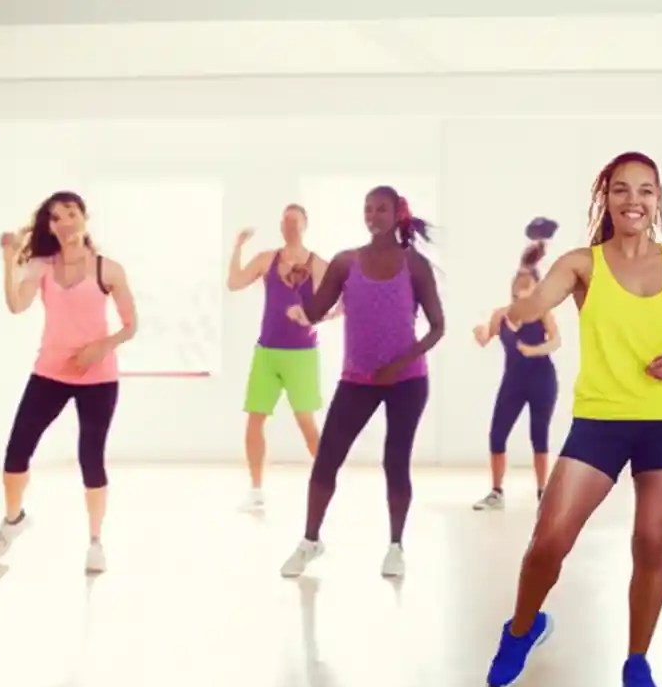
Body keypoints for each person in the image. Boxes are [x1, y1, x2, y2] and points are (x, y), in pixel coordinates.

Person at [484, 151, 662, 687]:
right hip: (600, 418)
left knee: (651, 543)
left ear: (657, 199)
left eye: (645, 190)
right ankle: (522, 628)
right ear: (606, 198)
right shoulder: (582, 264)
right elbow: (536, 304)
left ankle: (637, 662)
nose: (633, 200)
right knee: (549, 542)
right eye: (621, 189)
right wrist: (514, 308)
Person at [277, 185, 444, 580]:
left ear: (397, 213)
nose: (373, 216)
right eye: (368, 209)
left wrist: (397, 365)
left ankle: (396, 546)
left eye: (381, 209)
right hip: (358, 379)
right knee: (327, 458)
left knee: (395, 460)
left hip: (407, 381)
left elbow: (438, 327)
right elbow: (314, 312)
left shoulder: (414, 265)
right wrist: (299, 284)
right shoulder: (345, 262)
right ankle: (310, 540)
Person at [0, 191, 138, 573]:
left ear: (84, 217)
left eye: (71, 213)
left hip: (98, 378)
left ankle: (95, 542)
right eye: (55, 218)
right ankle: (13, 520)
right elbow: (16, 305)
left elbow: (130, 326)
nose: (65, 222)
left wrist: (99, 347)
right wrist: (8, 261)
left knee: (91, 456)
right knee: (17, 451)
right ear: (50, 227)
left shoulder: (108, 269)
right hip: (50, 373)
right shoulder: (41, 266)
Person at [226, 204, 338, 511]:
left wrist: (312, 317)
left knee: (306, 422)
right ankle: (256, 490)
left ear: (305, 225)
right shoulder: (267, 259)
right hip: (267, 352)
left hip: (302, 355)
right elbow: (234, 282)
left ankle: (326, 485)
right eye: (285, 221)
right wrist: (237, 247)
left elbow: (341, 304)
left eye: (295, 221)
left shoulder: (318, 265)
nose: (289, 226)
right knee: (255, 418)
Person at [472, 217, 561, 510]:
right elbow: (485, 338)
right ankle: (496, 492)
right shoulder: (501, 315)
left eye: (529, 286)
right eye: (519, 285)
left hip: (542, 380)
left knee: (539, 436)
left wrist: (534, 350)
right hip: (513, 381)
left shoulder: (542, 312)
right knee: (497, 435)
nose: (522, 289)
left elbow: (556, 342)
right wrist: (479, 332)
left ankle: (543, 493)